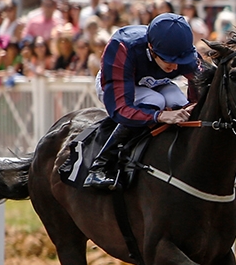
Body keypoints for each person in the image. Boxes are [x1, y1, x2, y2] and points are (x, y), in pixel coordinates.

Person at [84, 13, 200, 189]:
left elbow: (201, 88)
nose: (176, 67)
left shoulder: (181, 49)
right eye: (170, 60)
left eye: (180, 61)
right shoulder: (123, 45)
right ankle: (101, 165)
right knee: (156, 100)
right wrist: (160, 116)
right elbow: (121, 108)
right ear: (151, 48)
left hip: (154, 81)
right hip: (118, 85)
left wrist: (192, 107)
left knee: (177, 101)